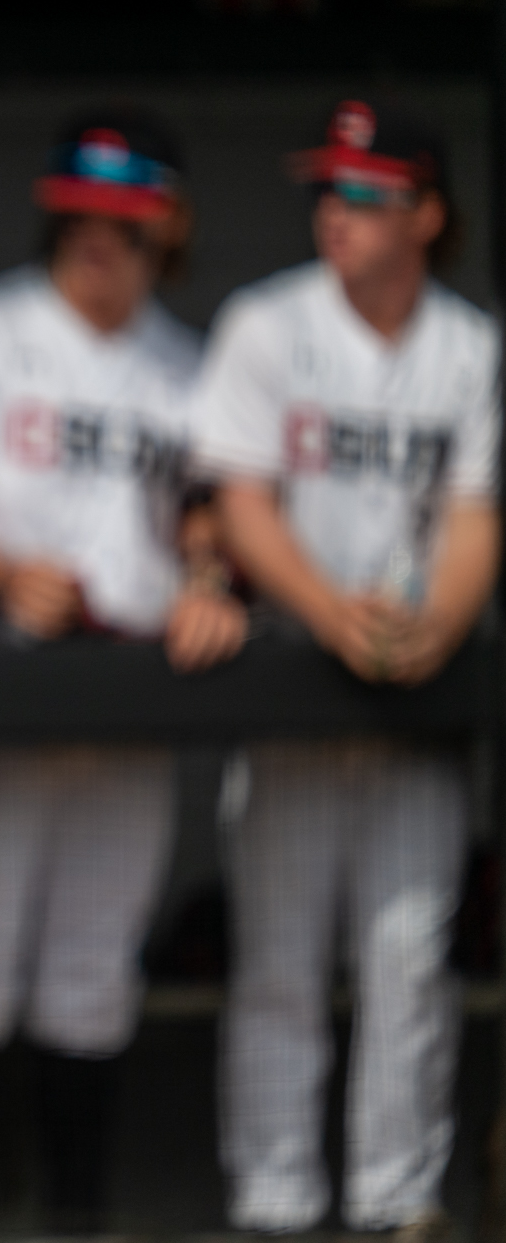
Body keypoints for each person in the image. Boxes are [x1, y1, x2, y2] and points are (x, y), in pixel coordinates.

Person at [0, 106, 247, 1232]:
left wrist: (208, 581)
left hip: (128, 688)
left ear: (167, 227)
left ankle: (72, 1218)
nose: (97, 236)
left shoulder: (186, 363)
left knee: (93, 971)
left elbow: (208, 513)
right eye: (81, 214)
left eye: (124, 219)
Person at [191, 99, 499, 1238]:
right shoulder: (268, 323)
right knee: (277, 962)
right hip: (288, 684)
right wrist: (333, 616)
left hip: (414, 697)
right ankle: (273, 1202)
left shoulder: (468, 346)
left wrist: (430, 623)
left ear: (423, 213)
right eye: (325, 189)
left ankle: (395, 1199)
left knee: (408, 962)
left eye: (363, 193)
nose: (335, 211)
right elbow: (237, 502)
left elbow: (473, 516)